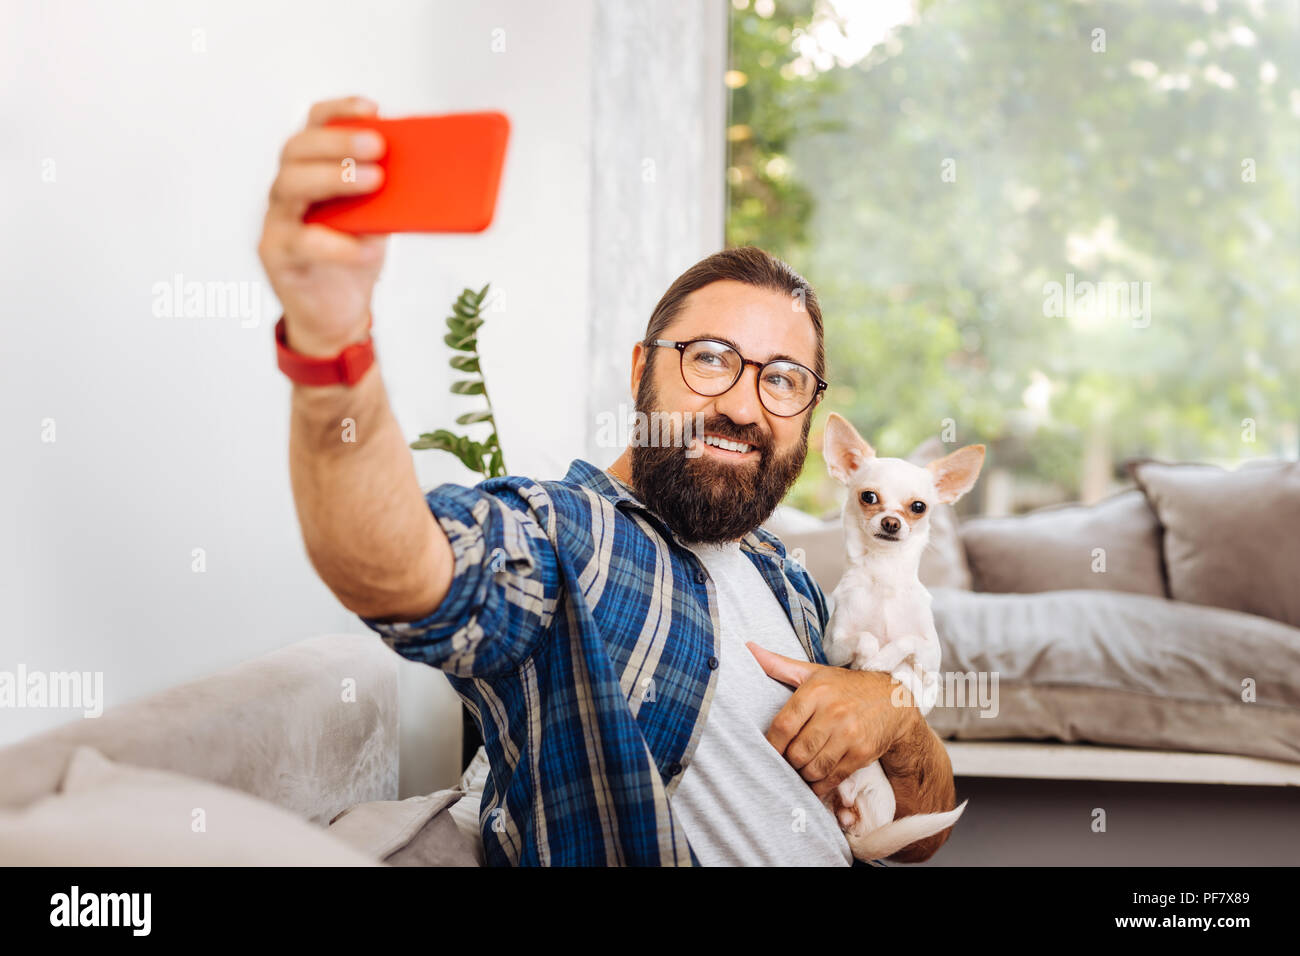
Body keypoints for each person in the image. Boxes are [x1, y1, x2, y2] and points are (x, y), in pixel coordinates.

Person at [257, 96, 959, 866]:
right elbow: (396, 570)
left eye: (783, 379)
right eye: (711, 359)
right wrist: (332, 346)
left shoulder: (785, 572)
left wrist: (897, 716)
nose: (740, 405)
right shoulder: (570, 539)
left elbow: (922, 840)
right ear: (641, 371)